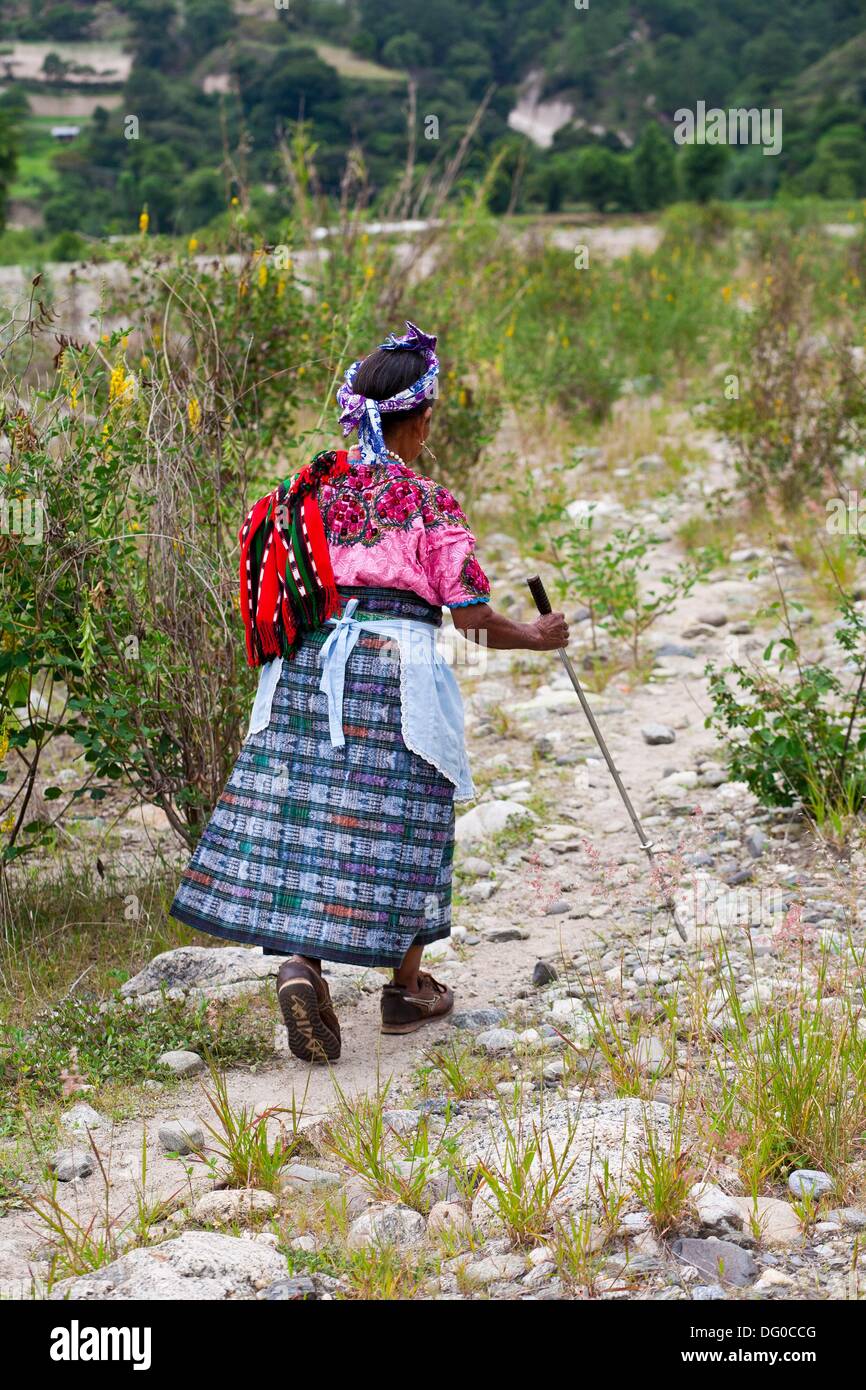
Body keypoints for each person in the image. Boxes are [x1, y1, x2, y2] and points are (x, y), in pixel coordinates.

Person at [168, 322, 568, 1062]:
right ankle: (405, 990)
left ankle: (300, 965)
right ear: (416, 420)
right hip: (396, 669)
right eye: (429, 419)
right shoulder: (430, 503)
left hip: (305, 668)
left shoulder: (310, 488)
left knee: (309, 816)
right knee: (412, 818)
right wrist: (537, 638)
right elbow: (473, 621)